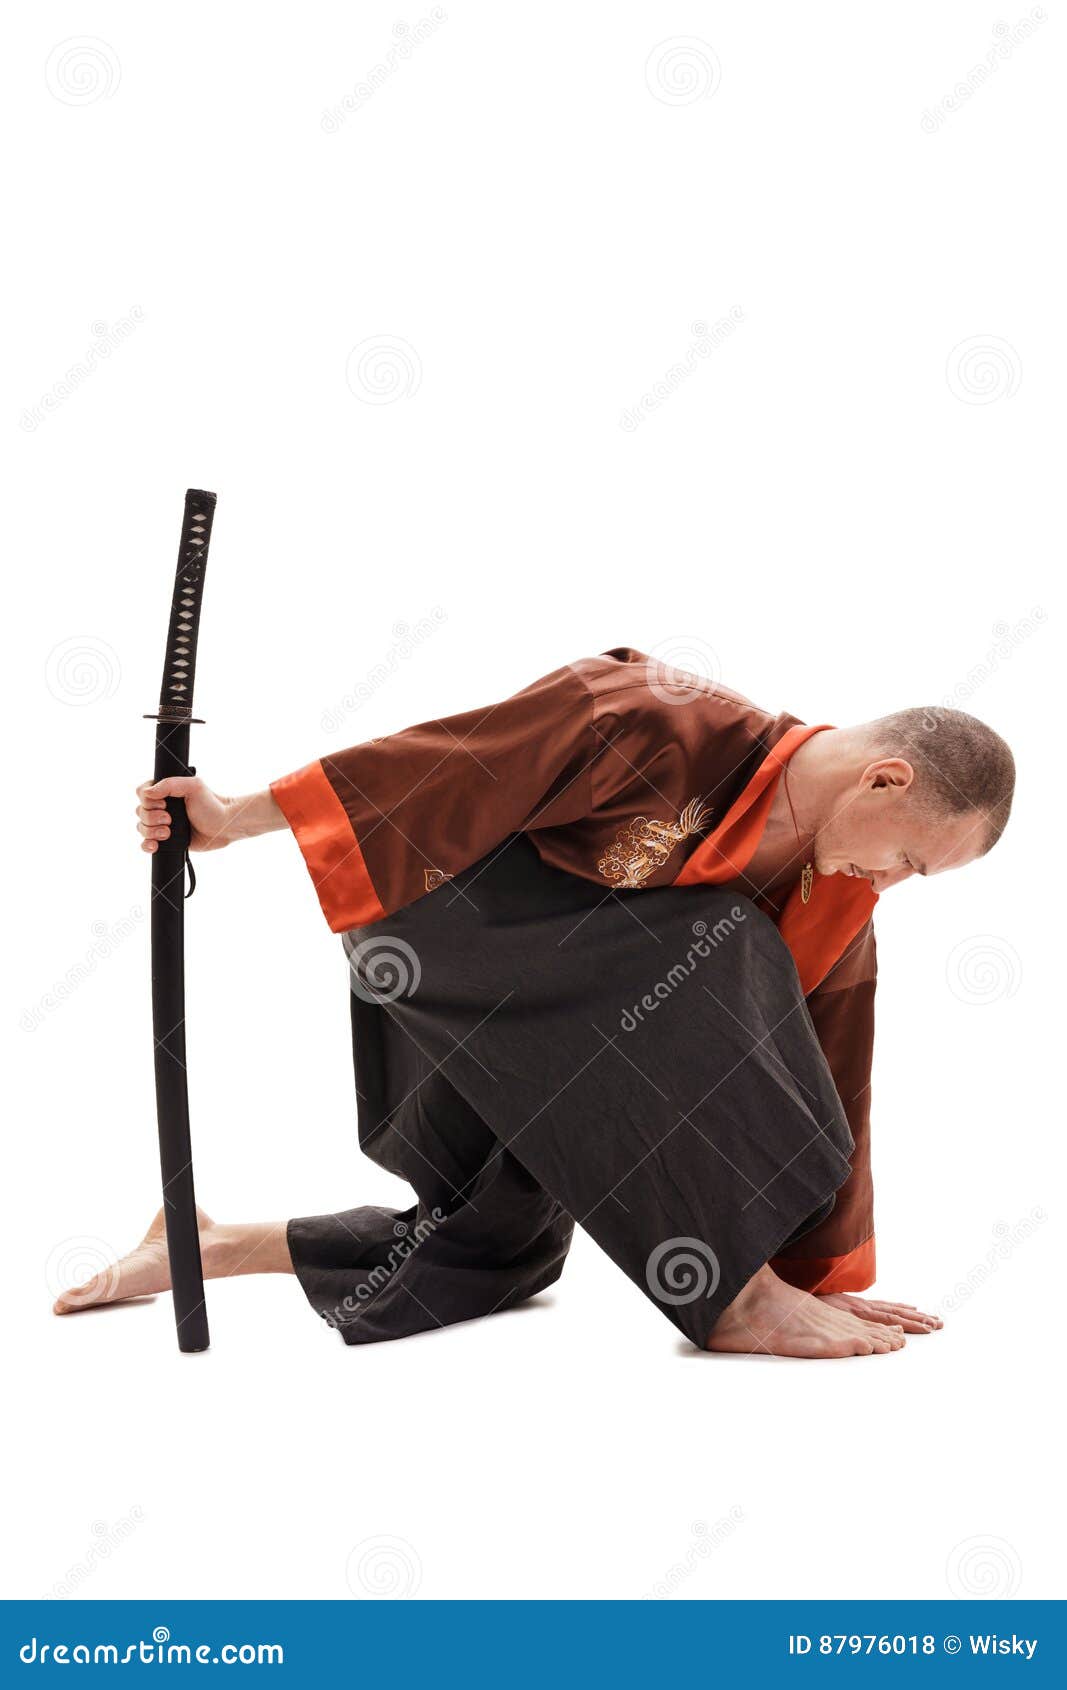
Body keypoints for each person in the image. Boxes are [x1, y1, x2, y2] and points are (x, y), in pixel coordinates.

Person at [54, 649, 1014, 1358]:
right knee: (719, 946)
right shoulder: (655, 716)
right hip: (451, 923)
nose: (891, 883)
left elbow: (830, 1066)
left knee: (506, 1239)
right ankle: (732, 1300)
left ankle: (206, 1246)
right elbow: (446, 764)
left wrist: (822, 1276)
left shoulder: (836, 890)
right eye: (910, 859)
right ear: (886, 778)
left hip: (587, 1003)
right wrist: (231, 820)